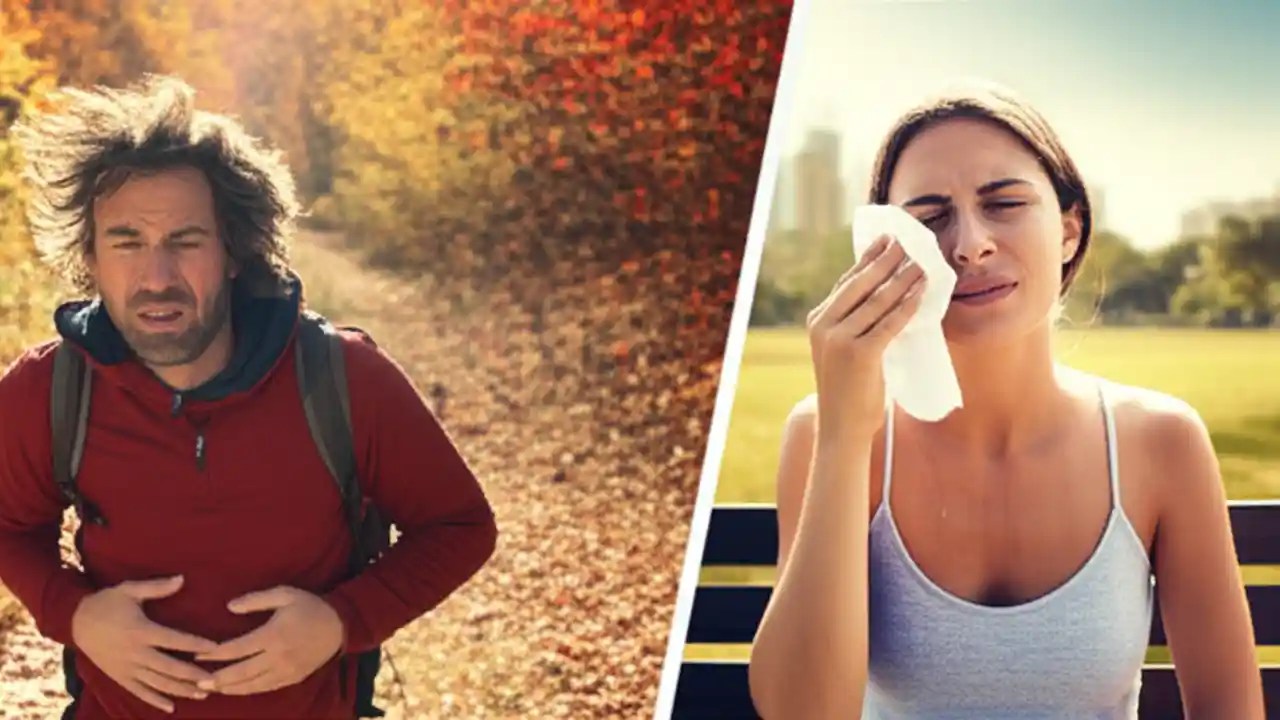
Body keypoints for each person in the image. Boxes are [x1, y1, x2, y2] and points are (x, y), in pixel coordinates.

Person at [747, 80, 1264, 719]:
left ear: (1070, 231)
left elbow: (1228, 710)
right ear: (884, 248)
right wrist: (845, 436)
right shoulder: (826, 433)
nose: (969, 244)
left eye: (1005, 204)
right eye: (930, 218)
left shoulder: (1161, 441)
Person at [0, 75, 498, 718]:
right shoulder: (49, 391)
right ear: (89, 257)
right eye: (126, 243)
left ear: (234, 252)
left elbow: (460, 526)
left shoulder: (343, 377)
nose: (157, 278)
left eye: (186, 241)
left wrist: (342, 622)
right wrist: (75, 614)